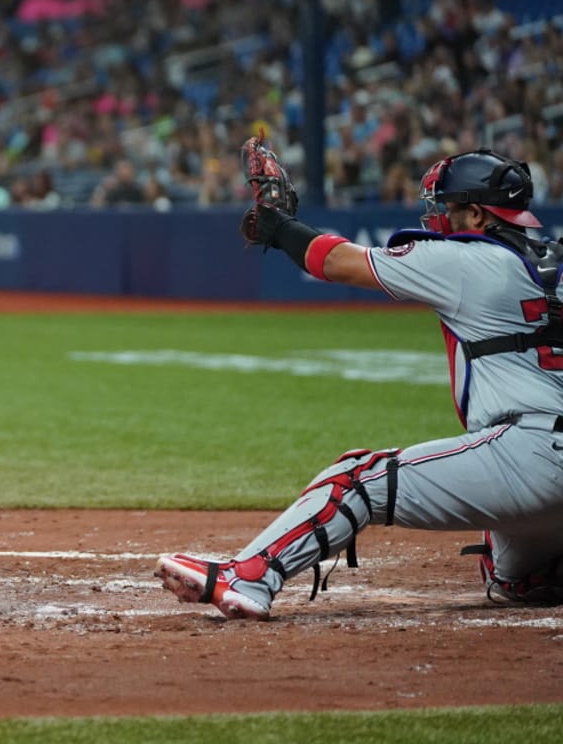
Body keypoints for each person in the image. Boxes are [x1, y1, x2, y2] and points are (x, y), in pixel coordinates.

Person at [156, 143, 563, 620]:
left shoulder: (467, 259)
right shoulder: (554, 261)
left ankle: (249, 577)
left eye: (449, 207)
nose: (439, 217)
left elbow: (335, 262)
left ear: (477, 214)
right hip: (539, 467)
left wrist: (279, 226)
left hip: (532, 456)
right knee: (514, 577)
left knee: (358, 479)